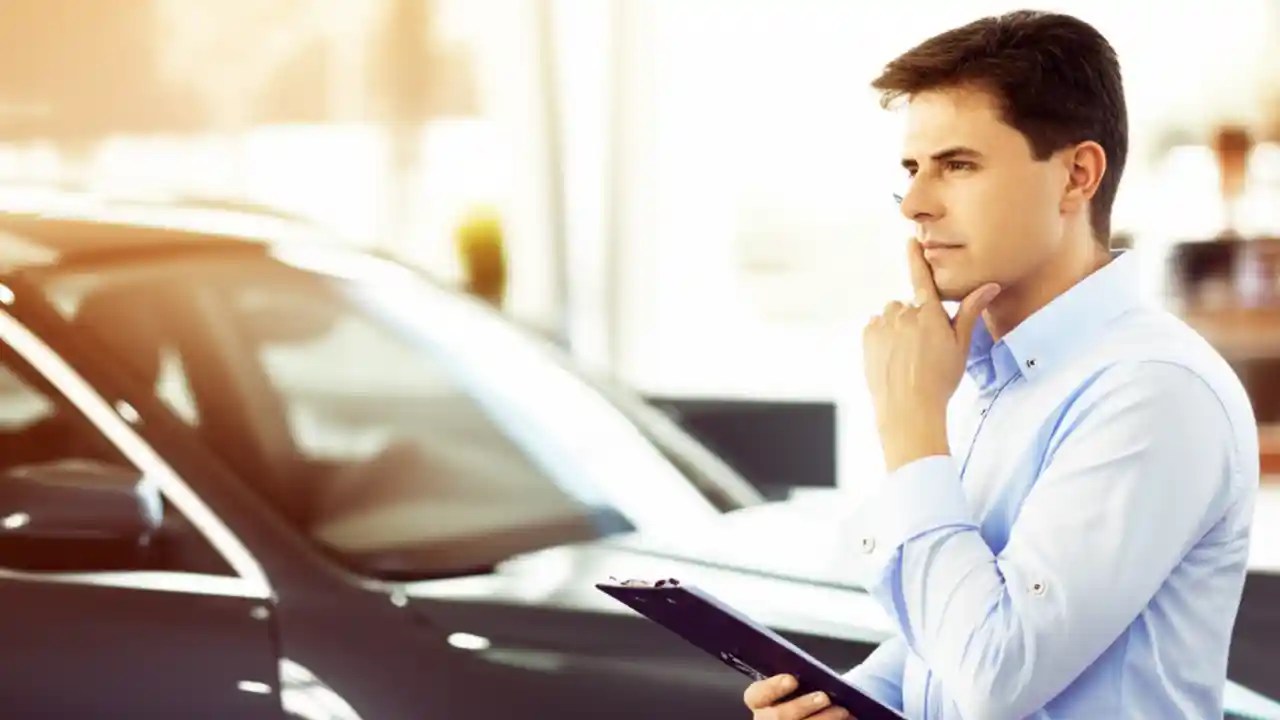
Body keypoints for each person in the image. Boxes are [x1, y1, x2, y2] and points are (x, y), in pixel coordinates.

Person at [744, 10, 1257, 720]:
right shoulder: (994, 379)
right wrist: (851, 701)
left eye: (958, 165)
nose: (917, 205)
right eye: (912, 170)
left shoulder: (1154, 392)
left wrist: (911, 427)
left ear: (1077, 175)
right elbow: (941, 643)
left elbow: (995, 673)